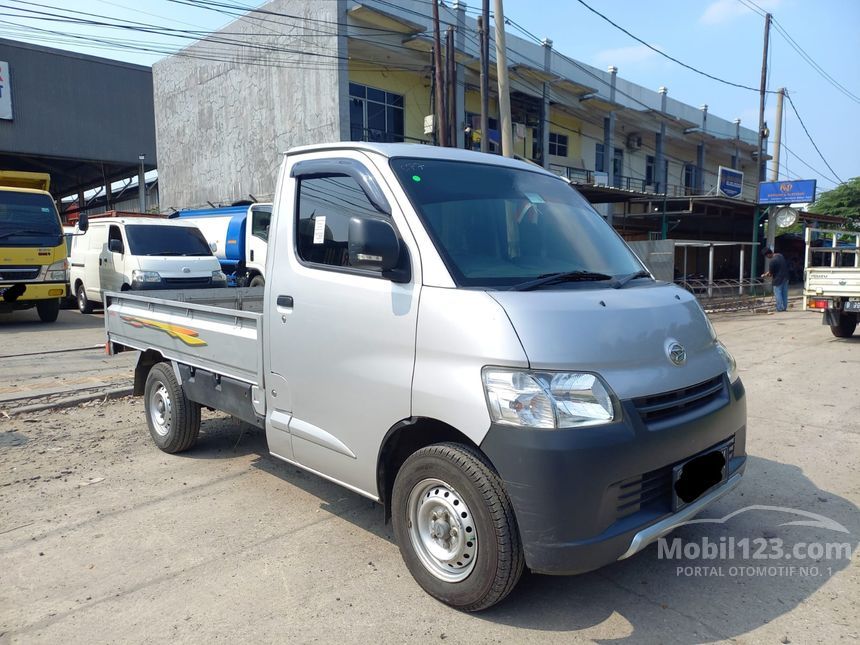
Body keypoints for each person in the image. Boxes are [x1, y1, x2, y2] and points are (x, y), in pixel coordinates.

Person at [762, 248, 789, 312]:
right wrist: (767, 273)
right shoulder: (780, 256)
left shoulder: (772, 261)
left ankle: (779, 308)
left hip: (778, 280)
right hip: (786, 278)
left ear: (768, 254)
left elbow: (771, 273)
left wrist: (765, 275)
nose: (767, 257)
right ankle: (784, 307)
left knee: (778, 293)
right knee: (784, 293)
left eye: (766, 256)